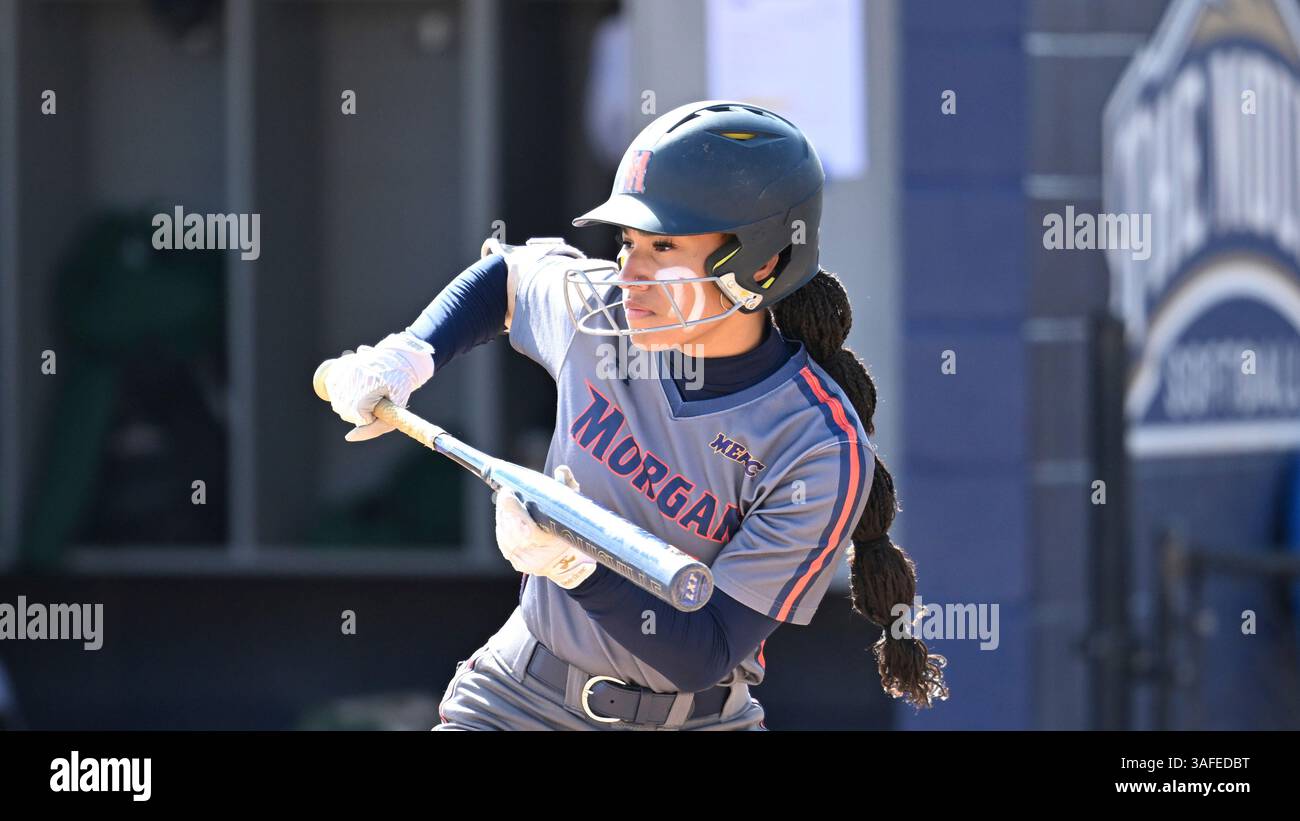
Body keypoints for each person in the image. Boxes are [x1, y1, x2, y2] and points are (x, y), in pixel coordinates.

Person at [323, 100, 948, 730]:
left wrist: (575, 566)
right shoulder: (603, 320)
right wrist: (406, 357)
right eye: (629, 242)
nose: (629, 272)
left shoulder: (815, 445)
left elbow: (703, 651)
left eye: (664, 245)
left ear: (761, 263)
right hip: (519, 701)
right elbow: (506, 279)